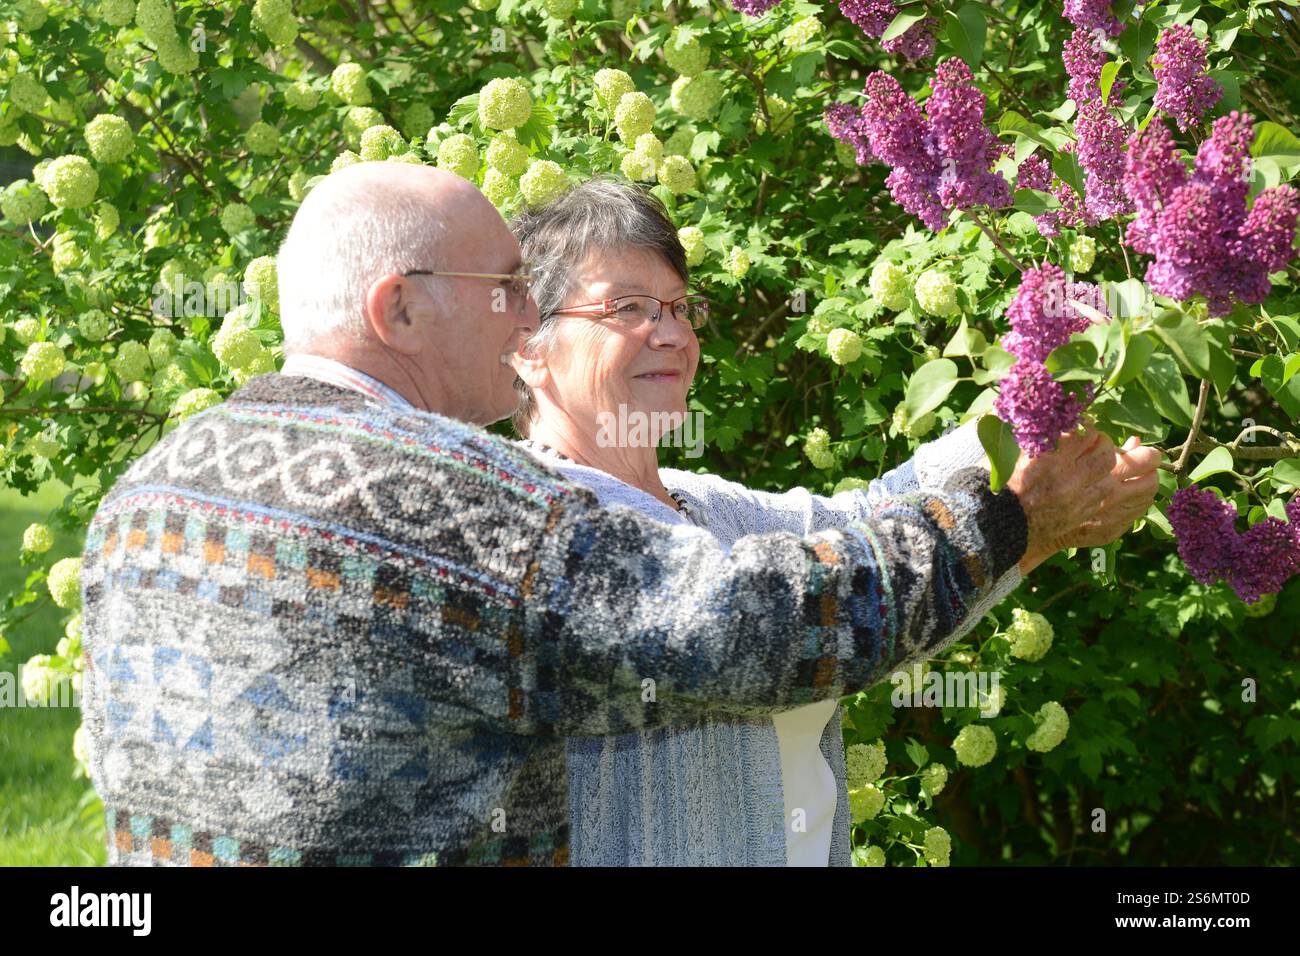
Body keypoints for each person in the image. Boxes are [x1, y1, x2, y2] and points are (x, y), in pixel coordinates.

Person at [78, 162, 1160, 866]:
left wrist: (1029, 403)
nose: (519, 316)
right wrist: (1011, 524)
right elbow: (749, 630)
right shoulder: (452, 497)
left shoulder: (153, 485)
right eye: (504, 288)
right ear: (397, 306)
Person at [509, 177, 1160, 865]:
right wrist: (1018, 518)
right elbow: (788, 626)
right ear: (528, 345)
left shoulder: (704, 504)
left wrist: (1034, 400)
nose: (671, 334)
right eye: (628, 308)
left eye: (678, 306)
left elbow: (870, 530)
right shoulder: (540, 521)